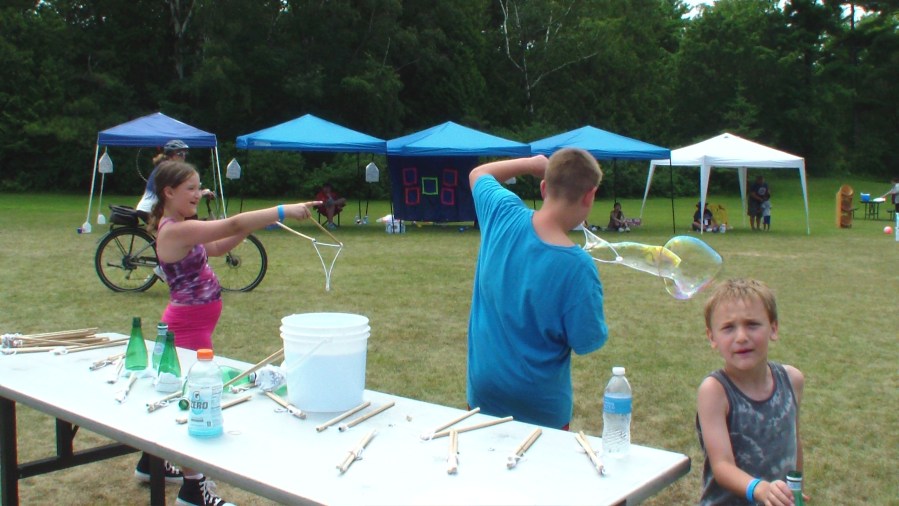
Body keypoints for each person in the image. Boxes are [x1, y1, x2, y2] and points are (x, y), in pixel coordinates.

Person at [134, 160, 320, 506]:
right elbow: (232, 222)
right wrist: (279, 210)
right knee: (198, 402)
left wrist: (256, 226)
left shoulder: (181, 226)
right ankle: (194, 494)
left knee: (187, 395)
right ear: (168, 192)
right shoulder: (173, 230)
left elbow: (218, 246)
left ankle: (150, 464)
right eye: (190, 188)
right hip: (187, 327)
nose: (198, 194)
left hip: (192, 323)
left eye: (198, 186)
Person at [467, 149, 609, 429]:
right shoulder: (578, 267)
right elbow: (586, 341)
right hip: (542, 411)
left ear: (544, 187)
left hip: (484, 397)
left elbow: (478, 174)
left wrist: (532, 164)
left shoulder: (501, 213)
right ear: (589, 195)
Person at [696, 278, 806, 506]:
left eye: (752, 324)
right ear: (712, 337)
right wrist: (760, 489)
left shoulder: (792, 380)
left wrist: (795, 490)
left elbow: (794, 442)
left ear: (773, 328)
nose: (742, 337)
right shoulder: (715, 391)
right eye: (728, 328)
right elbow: (722, 466)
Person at [136, 140, 189, 221]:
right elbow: (179, 188)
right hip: (150, 209)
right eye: (180, 153)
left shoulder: (165, 166)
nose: (183, 156)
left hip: (152, 209)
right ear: (170, 156)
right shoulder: (166, 169)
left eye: (185, 153)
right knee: (176, 230)